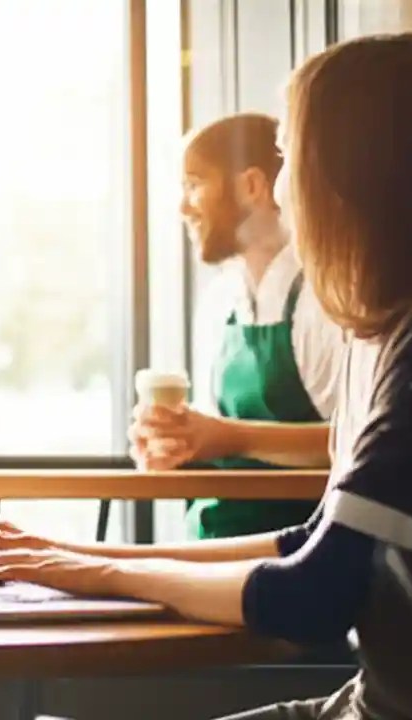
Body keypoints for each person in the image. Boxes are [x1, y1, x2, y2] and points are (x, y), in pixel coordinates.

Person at [0, 32, 412, 719]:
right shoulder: (385, 333)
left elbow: (313, 591)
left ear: (351, 175)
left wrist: (101, 572)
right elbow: (312, 537)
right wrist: (71, 553)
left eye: (288, 156)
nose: (284, 189)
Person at [130, 112, 346, 540]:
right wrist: (178, 447)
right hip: (211, 550)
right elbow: (220, 443)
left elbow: (354, 445)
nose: (183, 206)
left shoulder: (323, 301)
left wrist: (225, 437)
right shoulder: (221, 301)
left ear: (252, 187)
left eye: (195, 185)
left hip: (296, 557)